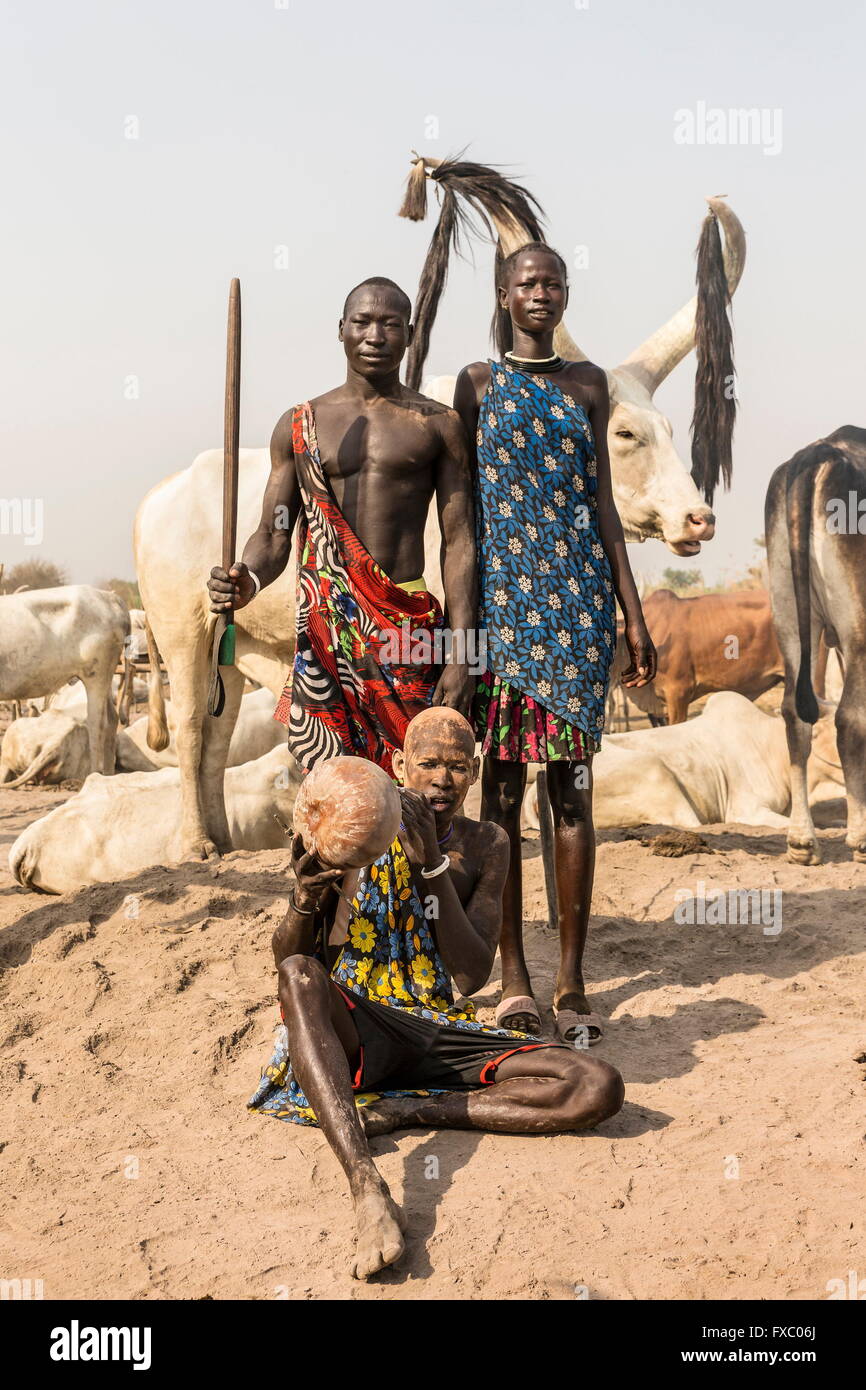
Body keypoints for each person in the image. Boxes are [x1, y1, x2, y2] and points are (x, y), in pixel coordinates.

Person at [249, 707, 624, 1280]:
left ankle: (412, 1109)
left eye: (456, 767)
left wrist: (432, 870)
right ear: (398, 765)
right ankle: (367, 1186)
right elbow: (293, 963)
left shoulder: (487, 843)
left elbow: (470, 975)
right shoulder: (355, 825)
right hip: (366, 1025)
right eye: (427, 764)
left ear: (475, 773)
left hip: (440, 1027)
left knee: (597, 1084)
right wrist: (305, 897)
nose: (440, 780)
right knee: (301, 973)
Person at [453, 243, 657, 1043]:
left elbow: (602, 505)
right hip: (504, 617)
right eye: (527, 282)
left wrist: (631, 616)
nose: (541, 293)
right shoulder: (476, 385)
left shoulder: (589, 385)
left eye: (554, 283)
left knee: (570, 790)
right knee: (499, 796)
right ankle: (513, 976)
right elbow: (462, 513)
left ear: (564, 296)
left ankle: (571, 976)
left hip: (575, 613)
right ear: (503, 295)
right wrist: (462, 624)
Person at [207, 277, 476, 773]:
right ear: (341, 330)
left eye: (390, 324)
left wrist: (462, 652)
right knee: (333, 784)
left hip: (405, 624)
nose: (376, 335)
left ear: (410, 334)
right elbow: (274, 532)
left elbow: (459, 542)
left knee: (414, 776)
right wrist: (247, 576)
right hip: (327, 626)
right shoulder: (301, 423)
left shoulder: (439, 424)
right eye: (363, 322)